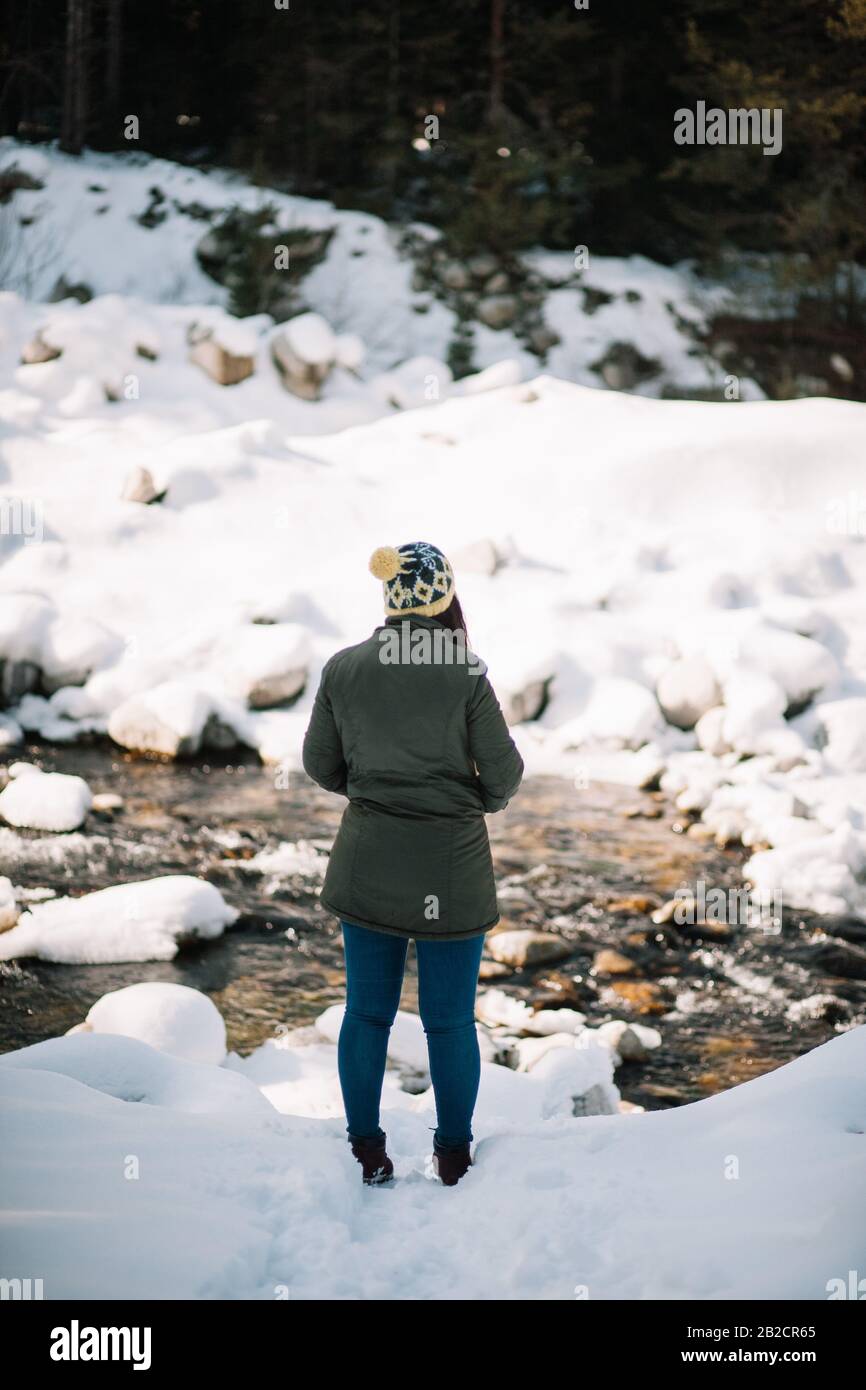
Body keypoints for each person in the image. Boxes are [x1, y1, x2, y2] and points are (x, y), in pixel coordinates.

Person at [302, 540, 524, 1187]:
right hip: (450, 871)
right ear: (444, 597)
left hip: (368, 865)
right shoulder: (465, 672)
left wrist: (374, 794)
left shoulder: (344, 668)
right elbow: (504, 776)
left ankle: (366, 1152)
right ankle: (453, 1156)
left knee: (366, 1014)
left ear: (390, 597)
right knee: (449, 1021)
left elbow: (321, 765)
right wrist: (469, 800)